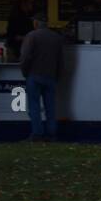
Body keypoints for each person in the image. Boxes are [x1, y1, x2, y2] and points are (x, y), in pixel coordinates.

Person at [20, 13, 64, 141]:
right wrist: (58, 76)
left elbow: (25, 57)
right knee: (50, 107)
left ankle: (37, 134)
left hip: (34, 75)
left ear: (36, 23)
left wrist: (25, 72)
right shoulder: (56, 37)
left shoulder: (32, 36)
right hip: (51, 77)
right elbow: (61, 60)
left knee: (34, 106)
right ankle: (51, 134)